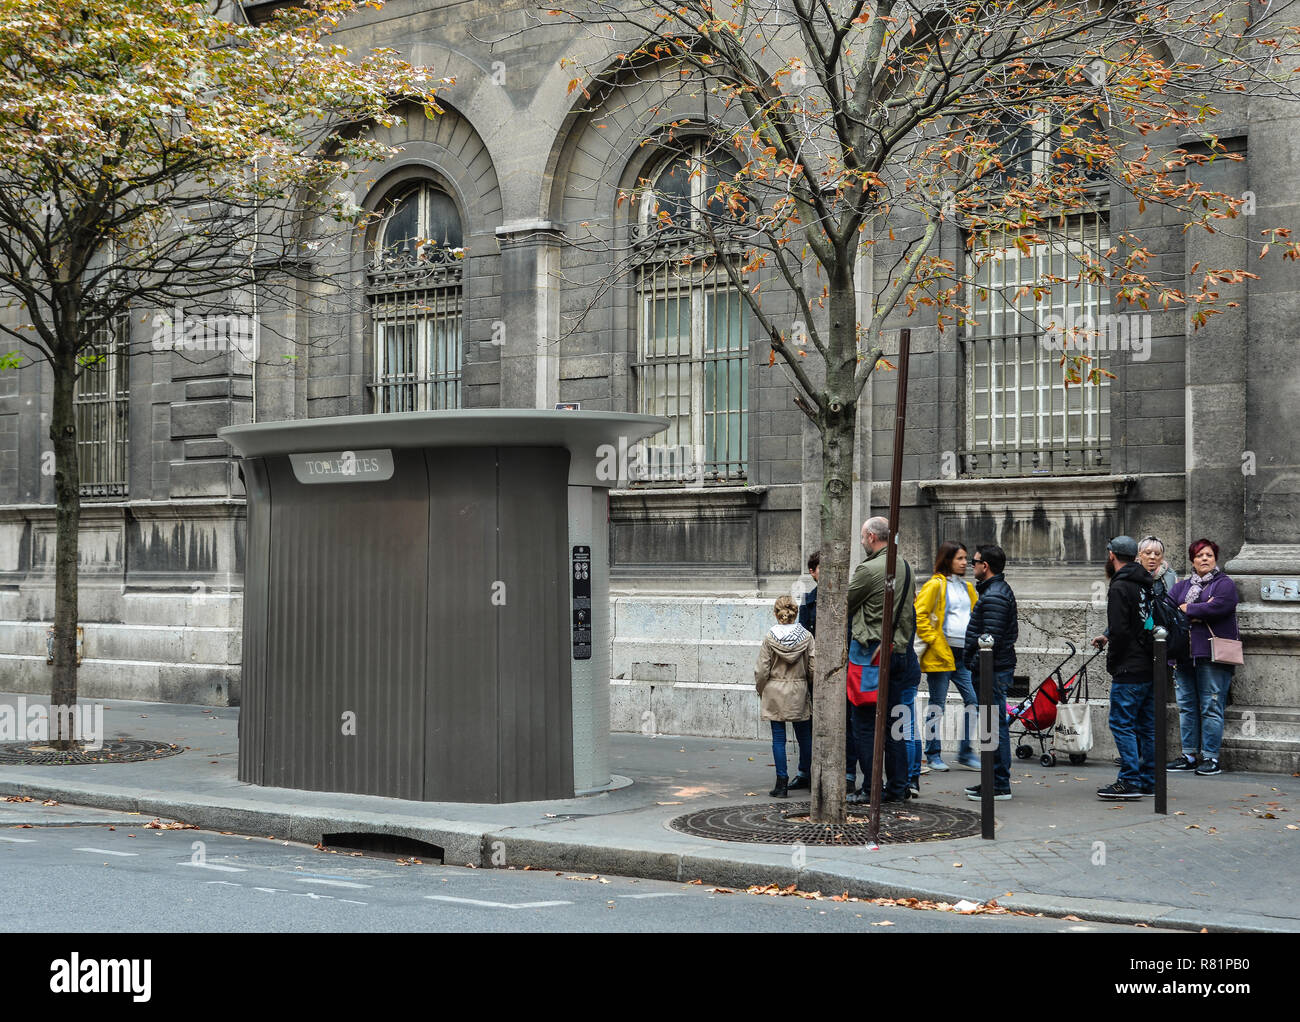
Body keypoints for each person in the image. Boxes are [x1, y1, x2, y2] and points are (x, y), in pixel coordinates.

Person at [846, 516, 919, 804]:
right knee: (896, 724)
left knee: (864, 723)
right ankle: (898, 787)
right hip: (900, 654)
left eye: (863, 537)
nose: (862, 542)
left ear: (873, 538)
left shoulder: (868, 569)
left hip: (871, 657)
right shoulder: (905, 566)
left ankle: (870, 787)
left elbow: (843, 604)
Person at [1167, 538, 1240, 776]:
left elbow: (1220, 607)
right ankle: (1189, 755)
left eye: (1208, 555)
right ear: (1192, 560)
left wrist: (1189, 609)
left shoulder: (1224, 584)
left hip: (1212, 655)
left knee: (1211, 706)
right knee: (1187, 707)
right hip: (1182, 656)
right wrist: (1199, 609)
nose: (1204, 559)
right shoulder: (1181, 586)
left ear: (1215, 558)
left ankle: (1211, 758)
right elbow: (1167, 610)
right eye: (1199, 556)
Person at [1092, 536, 1156, 800]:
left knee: (1121, 723)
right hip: (1150, 662)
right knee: (1146, 725)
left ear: (1111, 555)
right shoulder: (1145, 583)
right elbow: (1144, 621)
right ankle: (1149, 779)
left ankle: (1129, 779)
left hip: (1129, 667)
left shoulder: (1119, 586)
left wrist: (1114, 662)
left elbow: (1120, 630)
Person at [915, 541, 980, 772]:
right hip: (942, 654)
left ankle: (965, 752)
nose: (966, 563)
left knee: (974, 700)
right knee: (937, 705)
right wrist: (935, 641)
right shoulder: (935, 585)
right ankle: (933, 754)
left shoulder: (968, 588)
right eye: (960, 558)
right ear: (948, 559)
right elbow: (920, 615)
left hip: (963, 656)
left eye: (966, 558)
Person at [961, 544, 1017, 801]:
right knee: (994, 722)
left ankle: (998, 783)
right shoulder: (995, 591)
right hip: (993, 668)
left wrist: (974, 659)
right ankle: (994, 780)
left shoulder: (994, 595)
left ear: (986, 566)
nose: (972, 566)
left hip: (992, 670)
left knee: (993, 724)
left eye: (974, 562)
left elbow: (989, 639)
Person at [754, 595, 814, 798]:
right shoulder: (806, 636)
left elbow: (762, 669)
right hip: (799, 690)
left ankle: (781, 784)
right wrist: (810, 687)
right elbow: (812, 667)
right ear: (795, 613)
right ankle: (811, 777)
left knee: (778, 739)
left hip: (775, 690)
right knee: (805, 737)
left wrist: (762, 689)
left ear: (775, 613)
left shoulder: (770, 637)